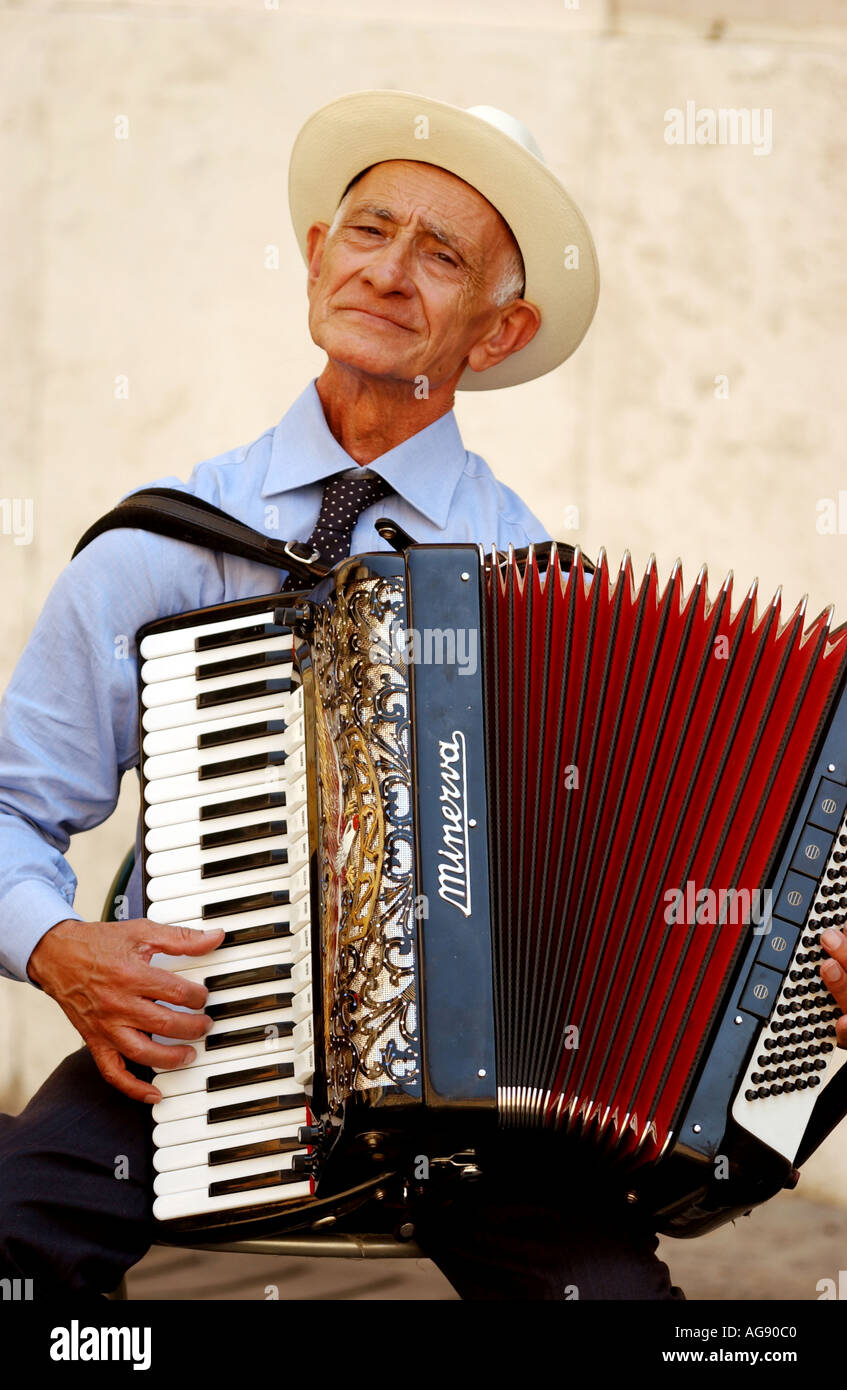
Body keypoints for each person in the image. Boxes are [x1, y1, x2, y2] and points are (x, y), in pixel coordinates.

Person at [0, 91, 844, 1302]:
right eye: (368, 231)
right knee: (17, 1238)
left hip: (478, 1114)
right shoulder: (162, 546)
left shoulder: (541, 585)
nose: (389, 273)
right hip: (193, 1049)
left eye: (441, 254)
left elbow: (635, 895)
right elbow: (12, 813)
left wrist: (789, 987)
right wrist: (58, 942)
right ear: (315, 260)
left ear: (497, 334)